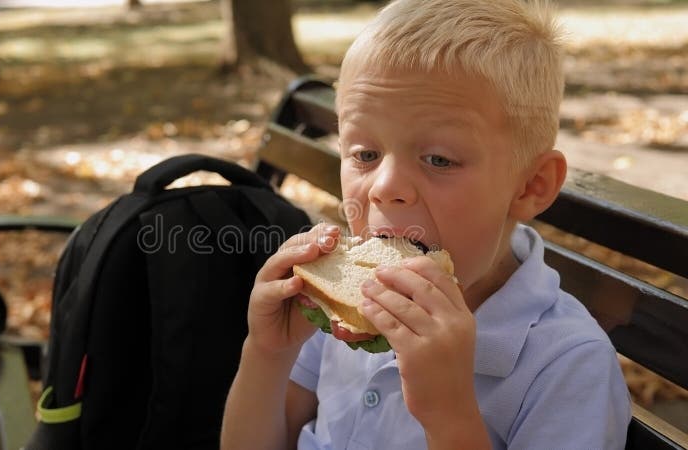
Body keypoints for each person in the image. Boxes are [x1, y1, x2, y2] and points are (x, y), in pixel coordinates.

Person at [221, 0, 632, 448]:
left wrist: (448, 414)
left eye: (438, 159)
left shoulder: (567, 364)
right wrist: (268, 354)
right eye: (364, 155)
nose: (385, 186)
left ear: (531, 186)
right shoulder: (341, 314)